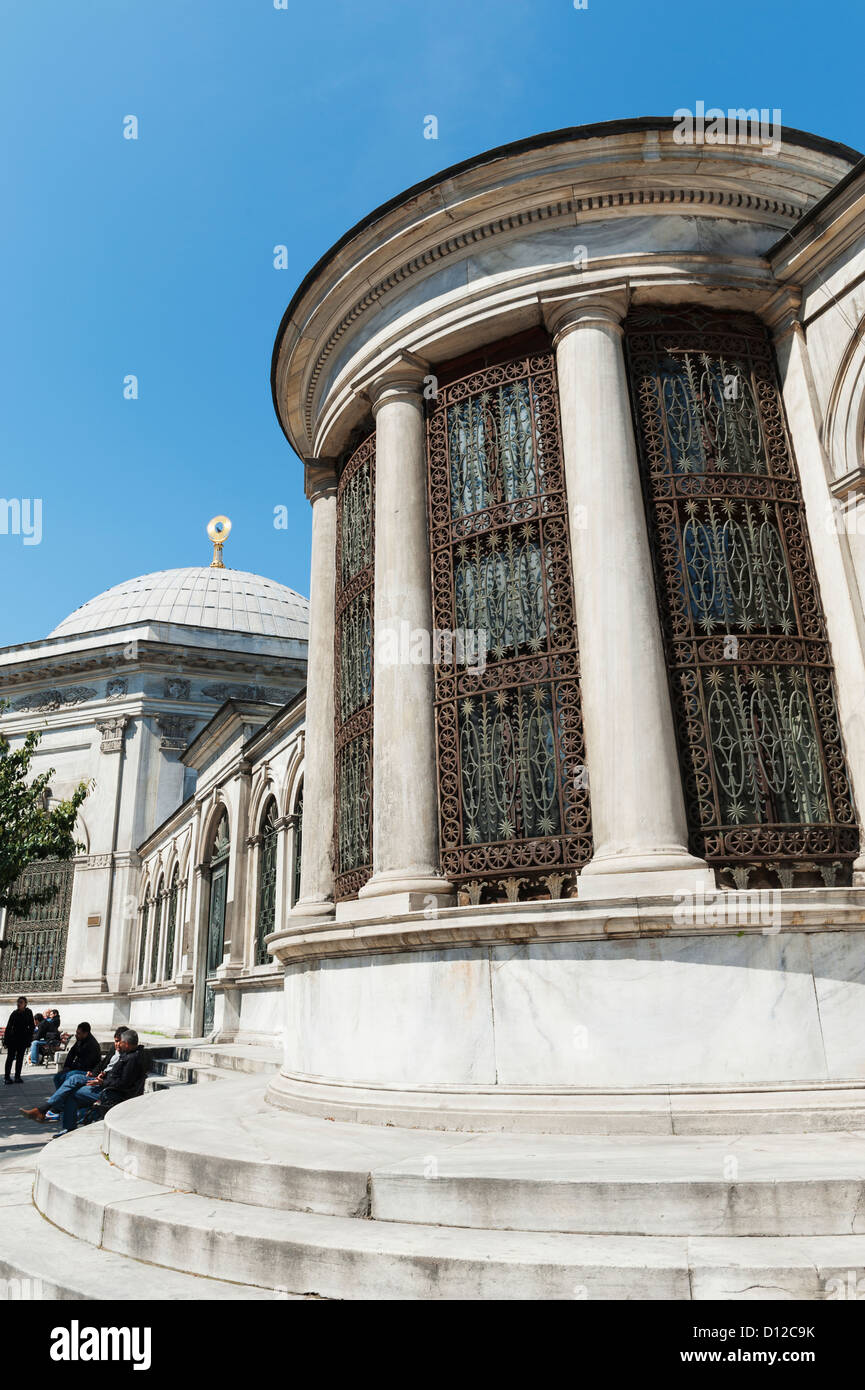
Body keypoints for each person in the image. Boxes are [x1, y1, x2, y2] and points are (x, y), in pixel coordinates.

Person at [65, 1029, 150, 1132]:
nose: (119, 1045)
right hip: (109, 1087)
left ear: (126, 1044)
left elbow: (123, 1083)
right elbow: (117, 1075)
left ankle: (69, 1127)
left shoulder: (132, 1059)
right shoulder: (132, 1054)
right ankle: (82, 1117)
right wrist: (104, 1076)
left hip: (113, 1094)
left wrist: (102, 1082)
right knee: (76, 1085)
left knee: (72, 1094)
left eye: (121, 1042)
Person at [19, 1023, 101, 1122]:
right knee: (58, 1077)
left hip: (87, 1071)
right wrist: (66, 1067)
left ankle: (55, 1109)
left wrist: (71, 1069)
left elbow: (86, 1064)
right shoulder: (80, 1041)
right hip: (78, 1069)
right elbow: (71, 1054)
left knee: (70, 1076)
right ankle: (59, 1104)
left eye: (79, 1033)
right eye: (76, 1032)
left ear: (86, 1033)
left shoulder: (92, 1045)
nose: (76, 1035)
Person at [4, 997, 35, 1084]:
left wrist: (28, 1037)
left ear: (25, 1004)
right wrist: (6, 1041)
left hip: (23, 1039)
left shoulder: (28, 1012)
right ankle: (7, 1077)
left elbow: (32, 1026)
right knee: (10, 1058)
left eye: (21, 1002)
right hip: (13, 1039)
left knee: (20, 1058)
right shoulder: (14, 1013)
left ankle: (17, 1076)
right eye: (18, 1002)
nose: (19, 1004)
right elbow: (8, 1027)